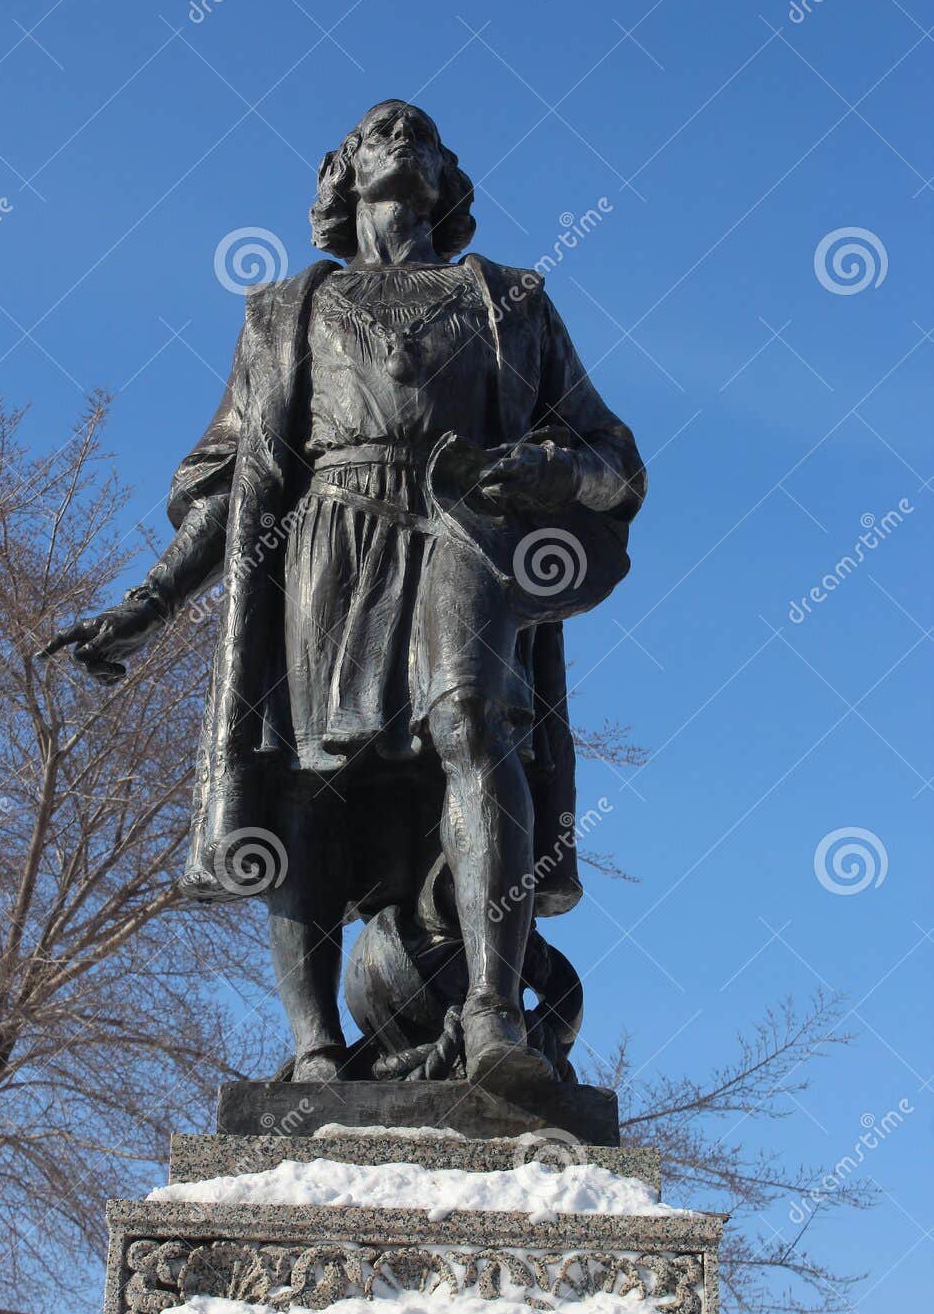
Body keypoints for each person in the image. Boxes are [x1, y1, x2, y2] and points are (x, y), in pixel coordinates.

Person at [45, 101, 645, 1088]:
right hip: (325, 543)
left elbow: (611, 456)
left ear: (446, 175)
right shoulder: (285, 310)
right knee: (306, 783)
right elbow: (231, 485)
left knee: (472, 724)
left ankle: (492, 1013)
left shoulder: (510, 300)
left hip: (462, 527)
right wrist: (143, 606)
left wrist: (549, 467)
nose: (402, 137)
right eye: (379, 132)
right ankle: (315, 1048)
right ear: (341, 172)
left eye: (422, 134)